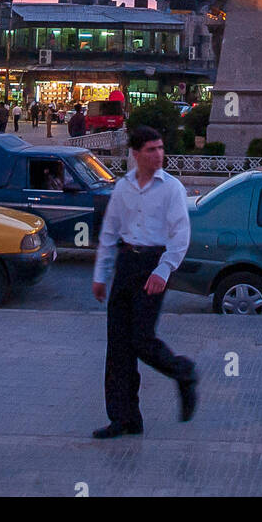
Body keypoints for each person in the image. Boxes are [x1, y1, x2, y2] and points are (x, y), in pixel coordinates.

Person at [91, 125, 197, 439]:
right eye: (151, 149)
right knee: (118, 347)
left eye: (161, 148)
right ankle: (125, 419)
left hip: (154, 264)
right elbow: (109, 233)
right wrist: (100, 276)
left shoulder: (172, 188)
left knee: (141, 338)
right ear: (136, 154)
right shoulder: (123, 187)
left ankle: (183, 372)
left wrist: (164, 270)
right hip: (126, 263)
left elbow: (181, 234)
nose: (158, 155)